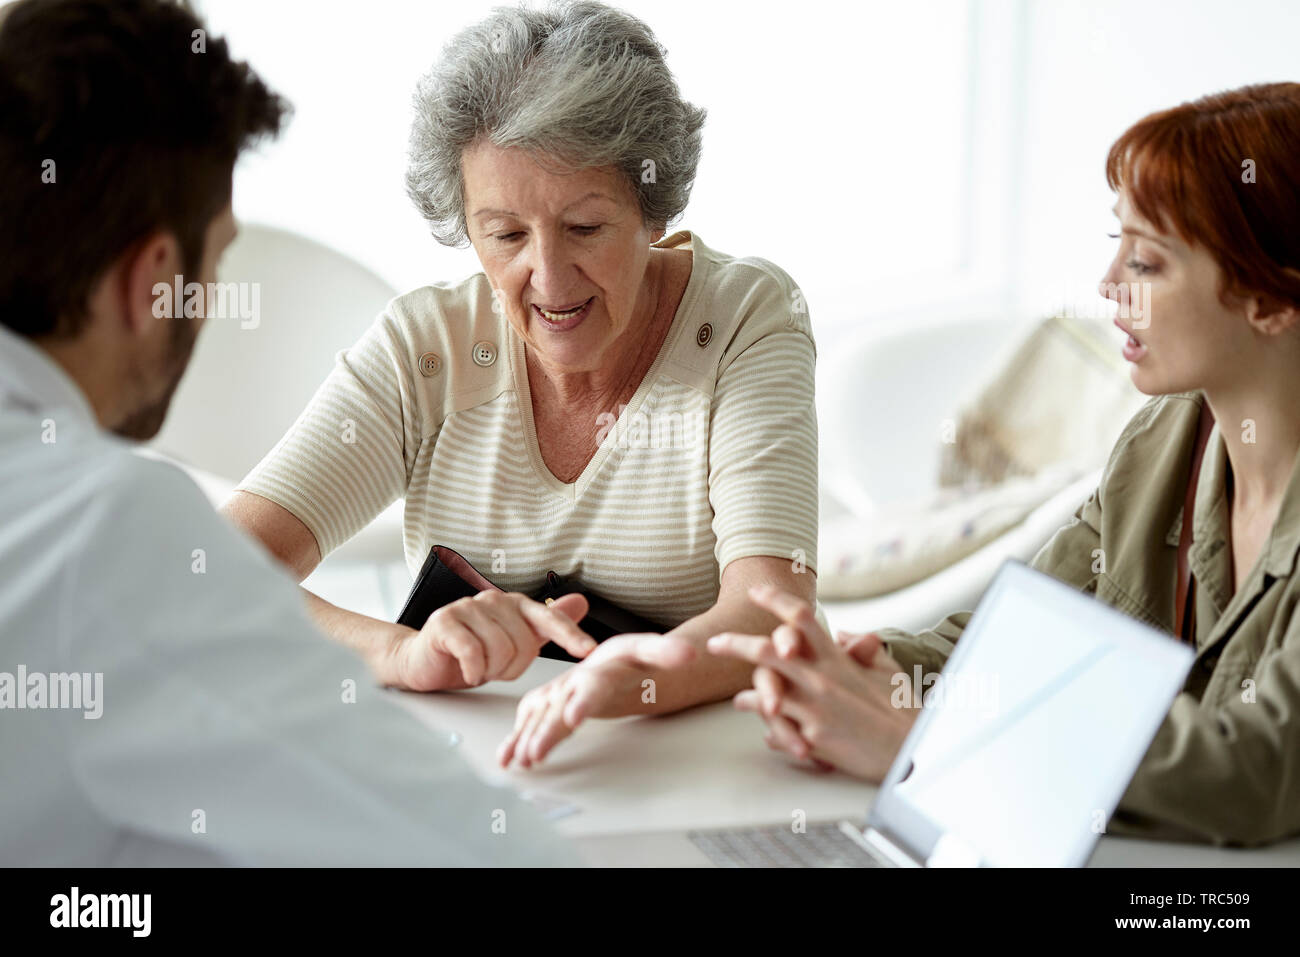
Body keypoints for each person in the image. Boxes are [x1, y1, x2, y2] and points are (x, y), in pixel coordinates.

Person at [0, 0, 689, 866]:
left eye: (584, 226)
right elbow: (457, 847)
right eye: (216, 262)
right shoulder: (105, 533)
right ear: (155, 279)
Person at [224, 0, 820, 769]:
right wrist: (400, 652)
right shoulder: (427, 347)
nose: (549, 278)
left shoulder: (744, 319)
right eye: (505, 234)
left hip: (692, 768)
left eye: (584, 228)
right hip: (475, 773)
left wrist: (614, 681)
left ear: (653, 210)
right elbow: (214, 568)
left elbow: (774, 614)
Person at [710, 82, 1300, 847]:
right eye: (1116, 243)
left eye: (1148, 261)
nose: (1108, 283)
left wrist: (920, 740)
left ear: (1271, 299)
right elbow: (1013, 636)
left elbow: (1252, 774)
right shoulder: (1166, 438)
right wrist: (863, 663)